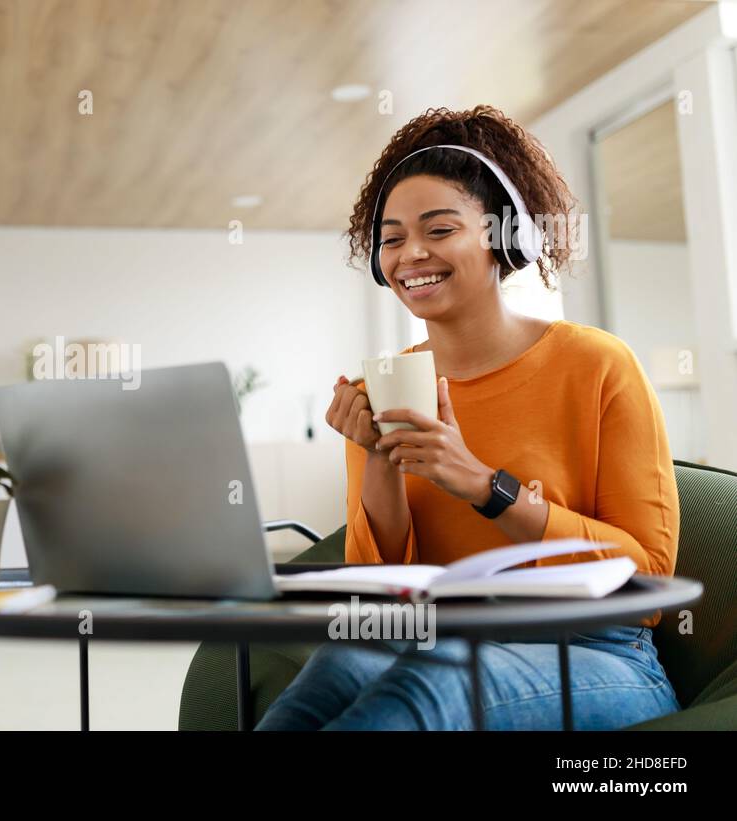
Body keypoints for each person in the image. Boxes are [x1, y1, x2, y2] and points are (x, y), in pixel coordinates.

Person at [256, 105, 681, 731]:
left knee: (429, 687)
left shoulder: (596, 364)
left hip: (596, 652)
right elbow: (381, 597)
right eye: (393, 238)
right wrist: (378, 458)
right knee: (328, 676)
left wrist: (485, 486)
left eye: (439, 229)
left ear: (503, 238)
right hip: (432, 639)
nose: (411, 254)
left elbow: (642, 578)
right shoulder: (386, 383)